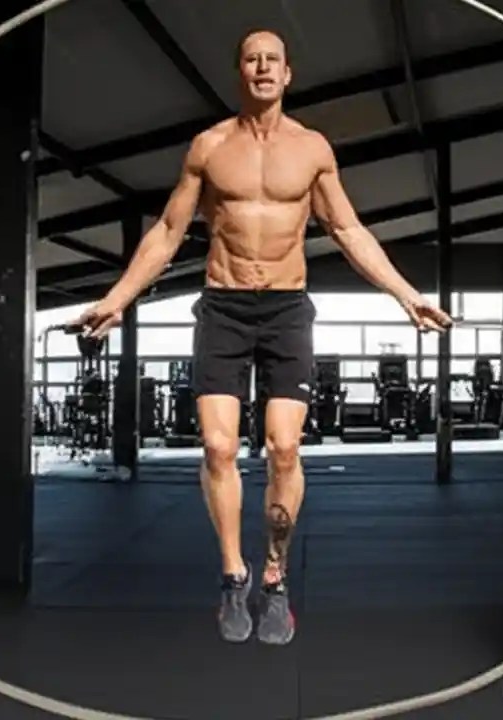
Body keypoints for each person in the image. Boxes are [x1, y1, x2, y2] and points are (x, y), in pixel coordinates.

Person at [72, 28, 451, 645]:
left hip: (285, 309)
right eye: (251, 59)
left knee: (282, 449)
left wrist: (405, 294)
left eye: (272, 59)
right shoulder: (209, 147)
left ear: (287, 74)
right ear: (240, 73)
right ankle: (233, 574)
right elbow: (169, 231)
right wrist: (116, 300)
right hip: (222, 306)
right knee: (219, 449)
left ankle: (274, 574)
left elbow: (349, 230)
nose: (262, 68)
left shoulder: (313, 149)